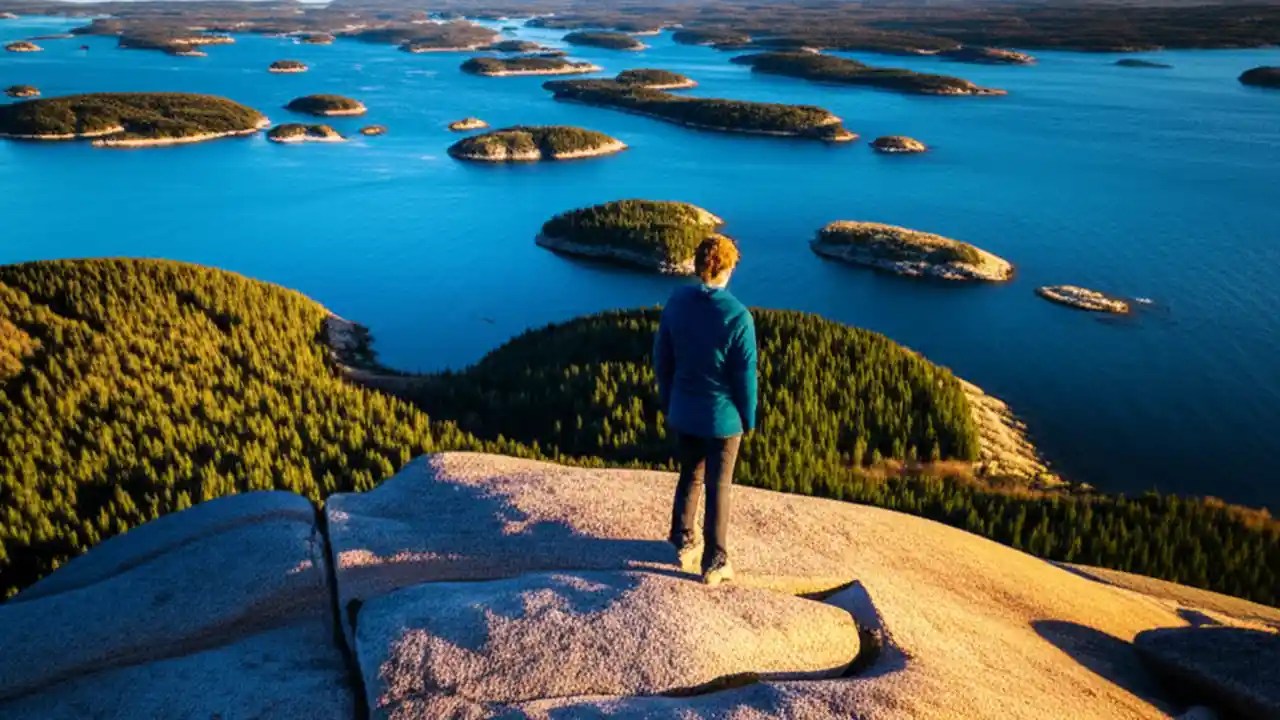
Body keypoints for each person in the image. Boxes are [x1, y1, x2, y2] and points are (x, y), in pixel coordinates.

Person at [653, 234, 757, 586]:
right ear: (728, 269)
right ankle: (715, 561)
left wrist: (670, 401)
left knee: (689, 475)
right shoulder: (737, 316)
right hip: (723, 418)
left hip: (684, 409)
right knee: (719, 486)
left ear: (698, 266)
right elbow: (745, 378)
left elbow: (662, 360)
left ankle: (682, 541)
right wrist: (748, 418)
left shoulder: (677, 302)